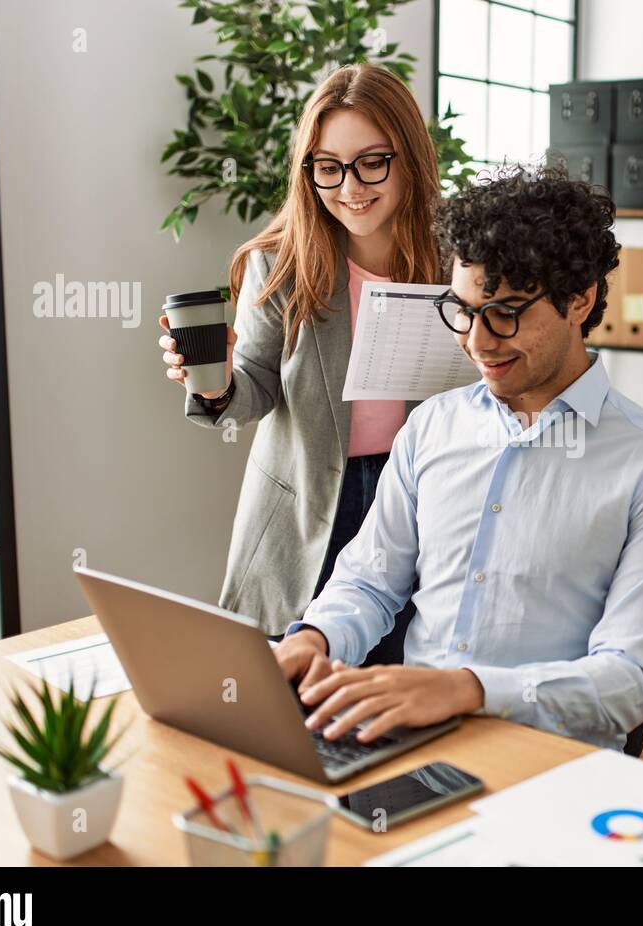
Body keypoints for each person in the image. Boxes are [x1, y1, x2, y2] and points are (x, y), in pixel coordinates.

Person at [273, 164, 643, 750]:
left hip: (549, 770)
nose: (477, 342)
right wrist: (315, 637)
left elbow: (628, 681)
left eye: (505, 313)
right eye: (462, 311)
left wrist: (467, 690)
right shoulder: (431, 426)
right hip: (407, 747)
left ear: (579, 299)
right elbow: (372, 581)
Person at [156, 65, 441, 658]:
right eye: (328, 167)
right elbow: (255, 386)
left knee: (401, 682)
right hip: (307, 501)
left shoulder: (456, 257)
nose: (349, 186)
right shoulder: (282, 262)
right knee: (287, 683)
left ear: (409, 156)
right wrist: (214, 382)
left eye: (371, 162)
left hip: (419, 497)